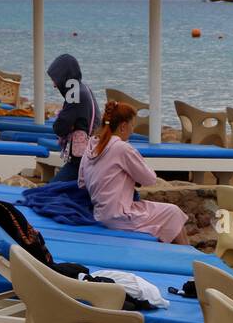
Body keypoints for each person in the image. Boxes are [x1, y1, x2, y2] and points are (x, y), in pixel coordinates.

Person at [78, 100, 190, 244]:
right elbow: (149, 179)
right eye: (132, 125)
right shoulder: (122, 148)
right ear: (123, 126)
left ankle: (184, 256)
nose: (132, 130)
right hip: (119, 217)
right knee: (173, 212)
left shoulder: (91, 147)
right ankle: (187, 259)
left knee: (169, 214)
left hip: (100, 214)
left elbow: (82, 183)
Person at [48, 54, 98, 183]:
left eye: (55, 79)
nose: (54, 85)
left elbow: (60, 128)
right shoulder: (84, 88)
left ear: (63, 76)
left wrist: (61, 121)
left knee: (50, 190)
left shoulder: (74, 94)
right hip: (91, 154)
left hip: (80, 160)